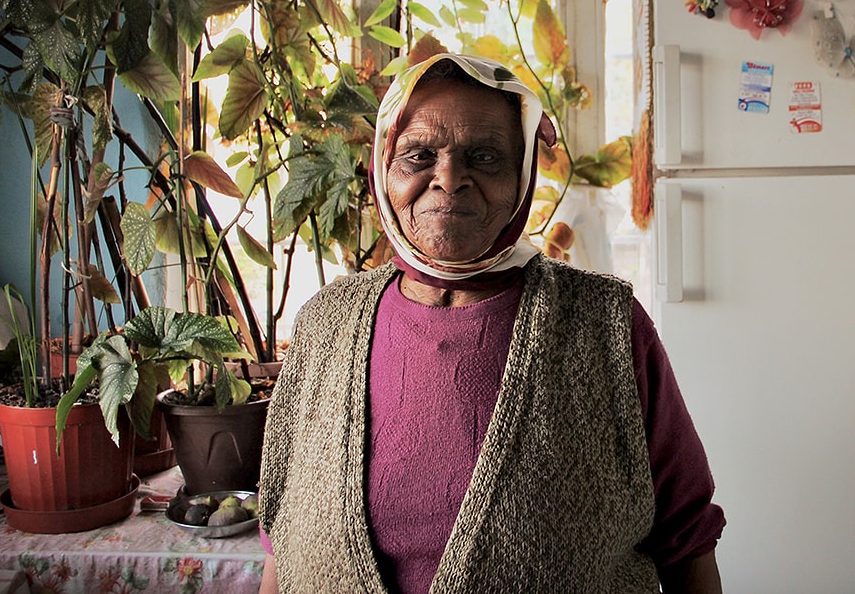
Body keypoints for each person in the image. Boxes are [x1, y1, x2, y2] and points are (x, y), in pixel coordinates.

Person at [257, 53, 725, 593]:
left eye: (484, 156)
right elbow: (283, 540)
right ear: (383, 168)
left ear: (523, 172)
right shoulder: (324, 326)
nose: (449, 179)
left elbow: (688, 540)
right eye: (418, 155)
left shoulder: (608, 328)